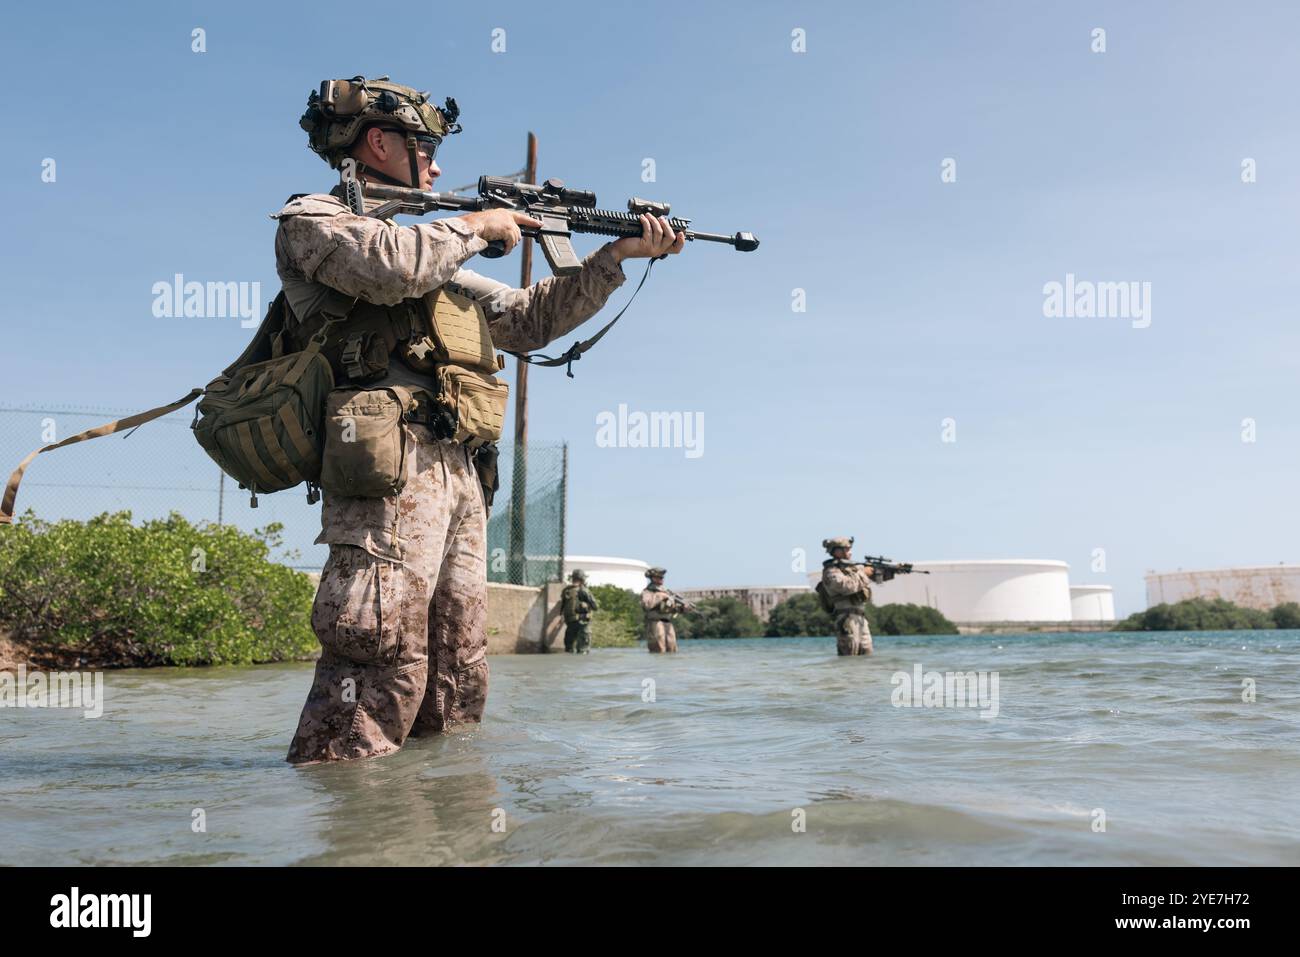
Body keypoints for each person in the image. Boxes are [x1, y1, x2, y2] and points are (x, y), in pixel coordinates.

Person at [282, 76, 686, 764]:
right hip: (383, 467)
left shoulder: (437, 253)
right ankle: (349, 822)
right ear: (379, 142)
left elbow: (530, 321)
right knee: (378, 647)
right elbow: (388, 268)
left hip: (458, 469)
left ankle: (446, 817)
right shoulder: (314, 221)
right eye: (427, 148)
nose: (438, 167)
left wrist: (616, 256)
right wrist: (472, 226)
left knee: (457, 660)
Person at [820, 537, 875, 656]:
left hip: (861, 619)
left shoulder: (853, 568)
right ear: (837, 551)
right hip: (846, 619)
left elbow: (872, 575)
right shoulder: (831, 571)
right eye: (846, 548)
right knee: (849, 657)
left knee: (867, 657)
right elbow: (847, 586)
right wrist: (864, 573)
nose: (850, 551)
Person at [640, 567, 686, 654]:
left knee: (672, 649)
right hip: (655, 622)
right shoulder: (647, 592)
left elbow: (673, 609)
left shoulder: (668, 592)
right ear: (653, 578)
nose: (662, 579)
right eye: (660, 577)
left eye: (662, 577)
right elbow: (647, 605)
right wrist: (660, 597)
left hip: (667, 622)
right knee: (659, 649)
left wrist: (683, 608)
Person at [560, 570, 599, 654]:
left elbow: (562, 607)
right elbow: (595, 607)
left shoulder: (566, 591)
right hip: (583, 623)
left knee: (569, 650)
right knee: (583, 651)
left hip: (570, 623)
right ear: (582, 579)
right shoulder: (584, 590)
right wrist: (587, 605)